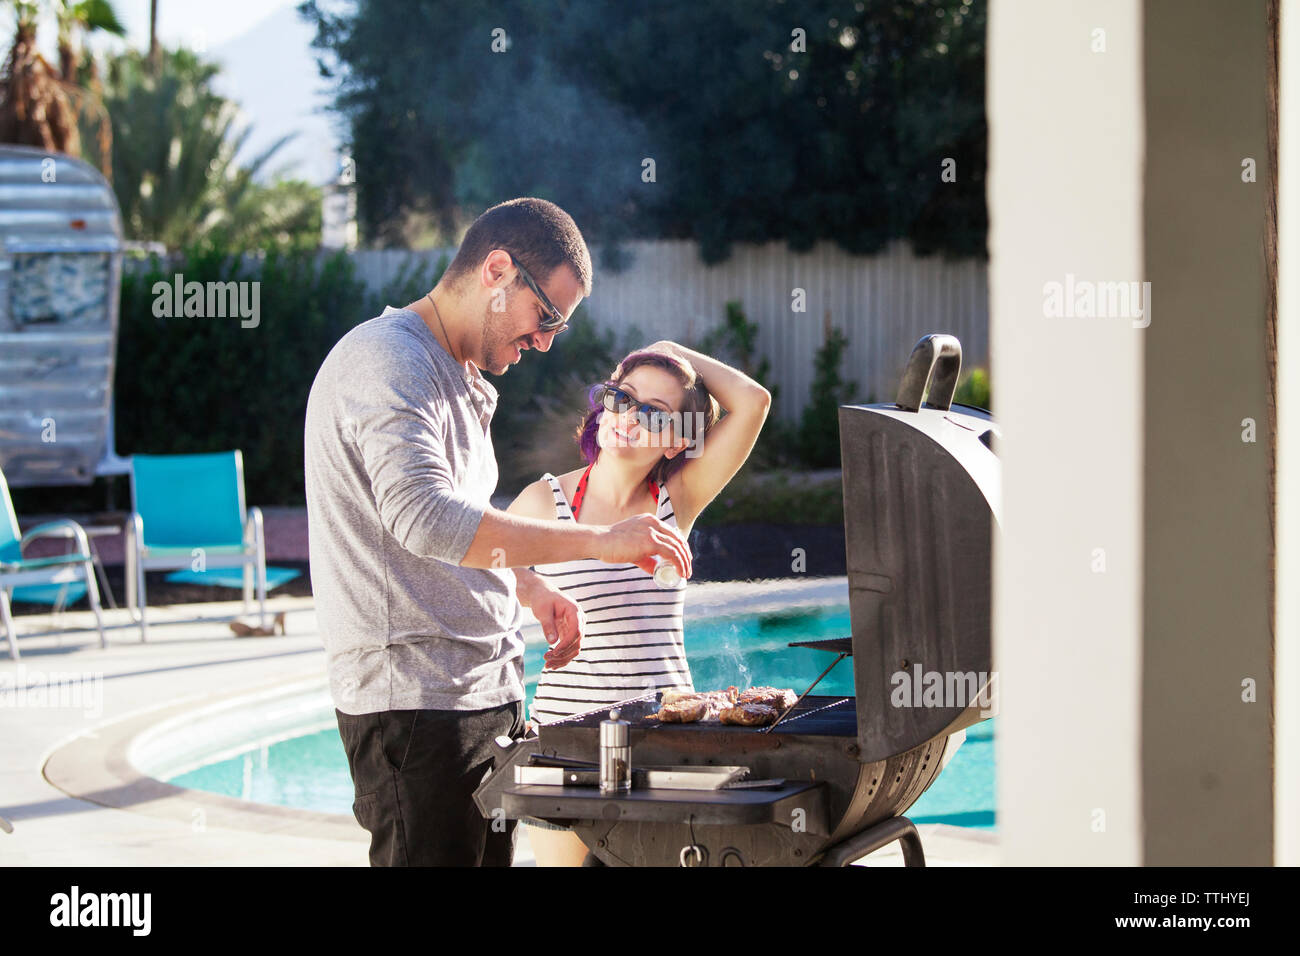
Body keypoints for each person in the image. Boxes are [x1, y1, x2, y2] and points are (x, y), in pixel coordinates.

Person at [304, 198, 691, 867]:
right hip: (418, 709)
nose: (545, 341)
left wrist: (527, 585)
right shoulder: (388, 361)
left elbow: (462, 522)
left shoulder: (462, 378)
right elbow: (425, 520)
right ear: (498, 270)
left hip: (483, 697)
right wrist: (600, 542)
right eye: (546, 317)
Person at [506, 341, 771, 865]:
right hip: (567, 743)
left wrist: (669, 348)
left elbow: (753, 401)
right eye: (623, 397)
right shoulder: (544, 501)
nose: (629, 416)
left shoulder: (680, 499)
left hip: (665, 740)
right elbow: (488, 563)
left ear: (677, 442)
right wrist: (535, 589)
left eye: (655, 413)